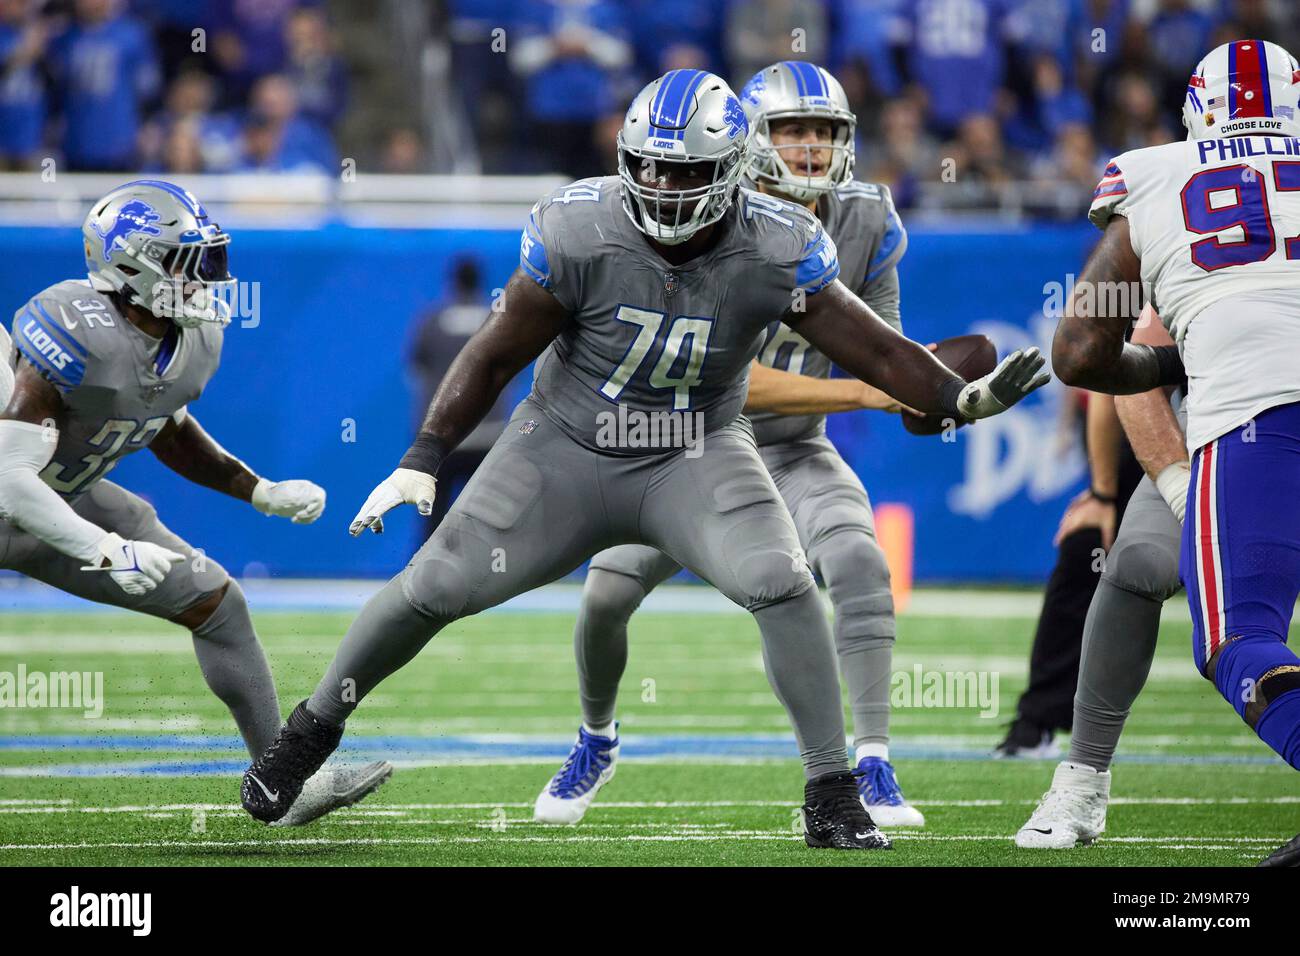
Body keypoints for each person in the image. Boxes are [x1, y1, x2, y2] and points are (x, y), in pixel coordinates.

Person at [239, 69, 1047, 850]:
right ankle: (301, 745)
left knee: (782, 581)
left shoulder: (779, 243)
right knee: (436, 585)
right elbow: (493, 353)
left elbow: (875, 348)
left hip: (695, 450)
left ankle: (833, 792)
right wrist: (423, 456)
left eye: (683, 170)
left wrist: (956, 399)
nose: (661, 185)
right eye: (648, 166)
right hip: (562, 444)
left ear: (730, 172)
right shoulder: (580, 227)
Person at [533, 61, 925, 829]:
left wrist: (938, 393)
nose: (811, 147)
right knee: (606, 596)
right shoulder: (701, 220)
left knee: (857, 559)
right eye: (791, 130)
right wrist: (866, 392)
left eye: (824, 132)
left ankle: (871, 760)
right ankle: (597, 738)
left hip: (792, 450)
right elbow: (746, 384)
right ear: (746, 142)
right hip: (688, 447)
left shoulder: (868, 222)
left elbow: (883, 356)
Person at [0, 180, 390, 826]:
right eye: (189, 262)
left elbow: (165, 424)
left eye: (208, 259)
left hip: (64, 498)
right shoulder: (75, 328)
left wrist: (258, 491)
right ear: (133, 265)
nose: (208, 277)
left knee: (217, 603)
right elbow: (9, 478)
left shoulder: (188, 339)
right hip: (22, 501)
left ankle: (282, 784)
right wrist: (102, 549)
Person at [1051, 39, 1300, 867]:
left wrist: (1163, 361)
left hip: (1256, 416)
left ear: (1197, 114)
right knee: (1140, 568)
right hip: (1236, 420)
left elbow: (1082, 353)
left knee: (1237, 639)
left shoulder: (1154, 173)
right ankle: (1081, 778)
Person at [1017, 315, 1187, 848]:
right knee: (1131, 562)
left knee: (1238, 639)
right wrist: (1112, 491)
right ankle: (1080, 775)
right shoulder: (1172, 246)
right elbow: (1122, 374)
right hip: (1202, 446)